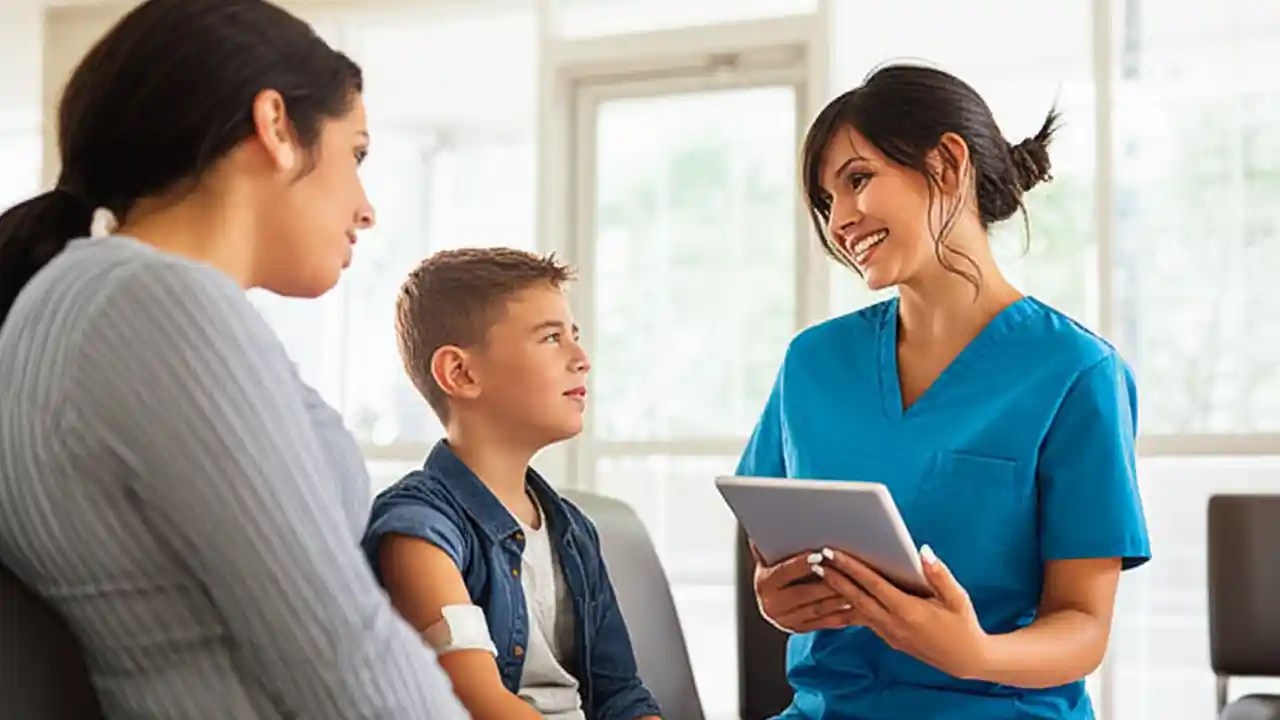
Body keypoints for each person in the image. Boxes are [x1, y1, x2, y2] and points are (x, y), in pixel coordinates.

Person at [0, 1, 467, 718]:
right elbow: (341, 644)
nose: (367, 208)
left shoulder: (78, 298)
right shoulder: (154, 305)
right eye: (357, 154)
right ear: (276, 126)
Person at [739, 63, 1151, 719]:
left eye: (858, 180)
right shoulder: (811, 363)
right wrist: (777, 596)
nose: (841, 220)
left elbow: (1082, 624)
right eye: (825, 202)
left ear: (947, 163)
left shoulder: (1075, 372)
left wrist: (975, 654)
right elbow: (772, 545)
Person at [361, 248, 662, 720]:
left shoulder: (573, 532)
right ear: (460, 373)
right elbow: (473, 700)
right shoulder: (417, 530)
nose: (581, 359)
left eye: (574, 337)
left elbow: (621, 697)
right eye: (550, 338)